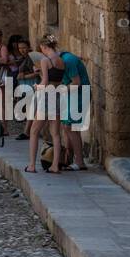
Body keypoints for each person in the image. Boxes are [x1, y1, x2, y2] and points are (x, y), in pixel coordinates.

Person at [25, 37, 66, 173]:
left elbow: (45, 81)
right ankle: (55, 165)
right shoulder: (61, 61)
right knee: (55, 133)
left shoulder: (45, 60)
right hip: (58, 96)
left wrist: (37, 86)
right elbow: (56, 79)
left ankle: (31, 165)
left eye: (41, 48)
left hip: (47, 96)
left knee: (34, 131)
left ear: (44, 46)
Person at [58, 43, 91, 171]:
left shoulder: (68, 61)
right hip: (71, 96)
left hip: (79, 95)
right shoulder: (63, 60)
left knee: (70, 127)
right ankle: (69, 158)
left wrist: (60, 90)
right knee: (67, 127)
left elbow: (76, 82)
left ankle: (79, 162)